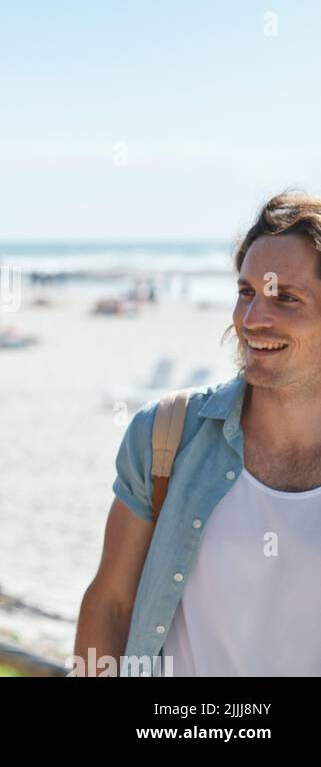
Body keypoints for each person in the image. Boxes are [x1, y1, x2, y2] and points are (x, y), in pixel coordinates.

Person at [75, 192, 321, 677]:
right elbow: (111, 605)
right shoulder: (166, 435)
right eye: (246, 292)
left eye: (285, 298)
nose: (252, 321)